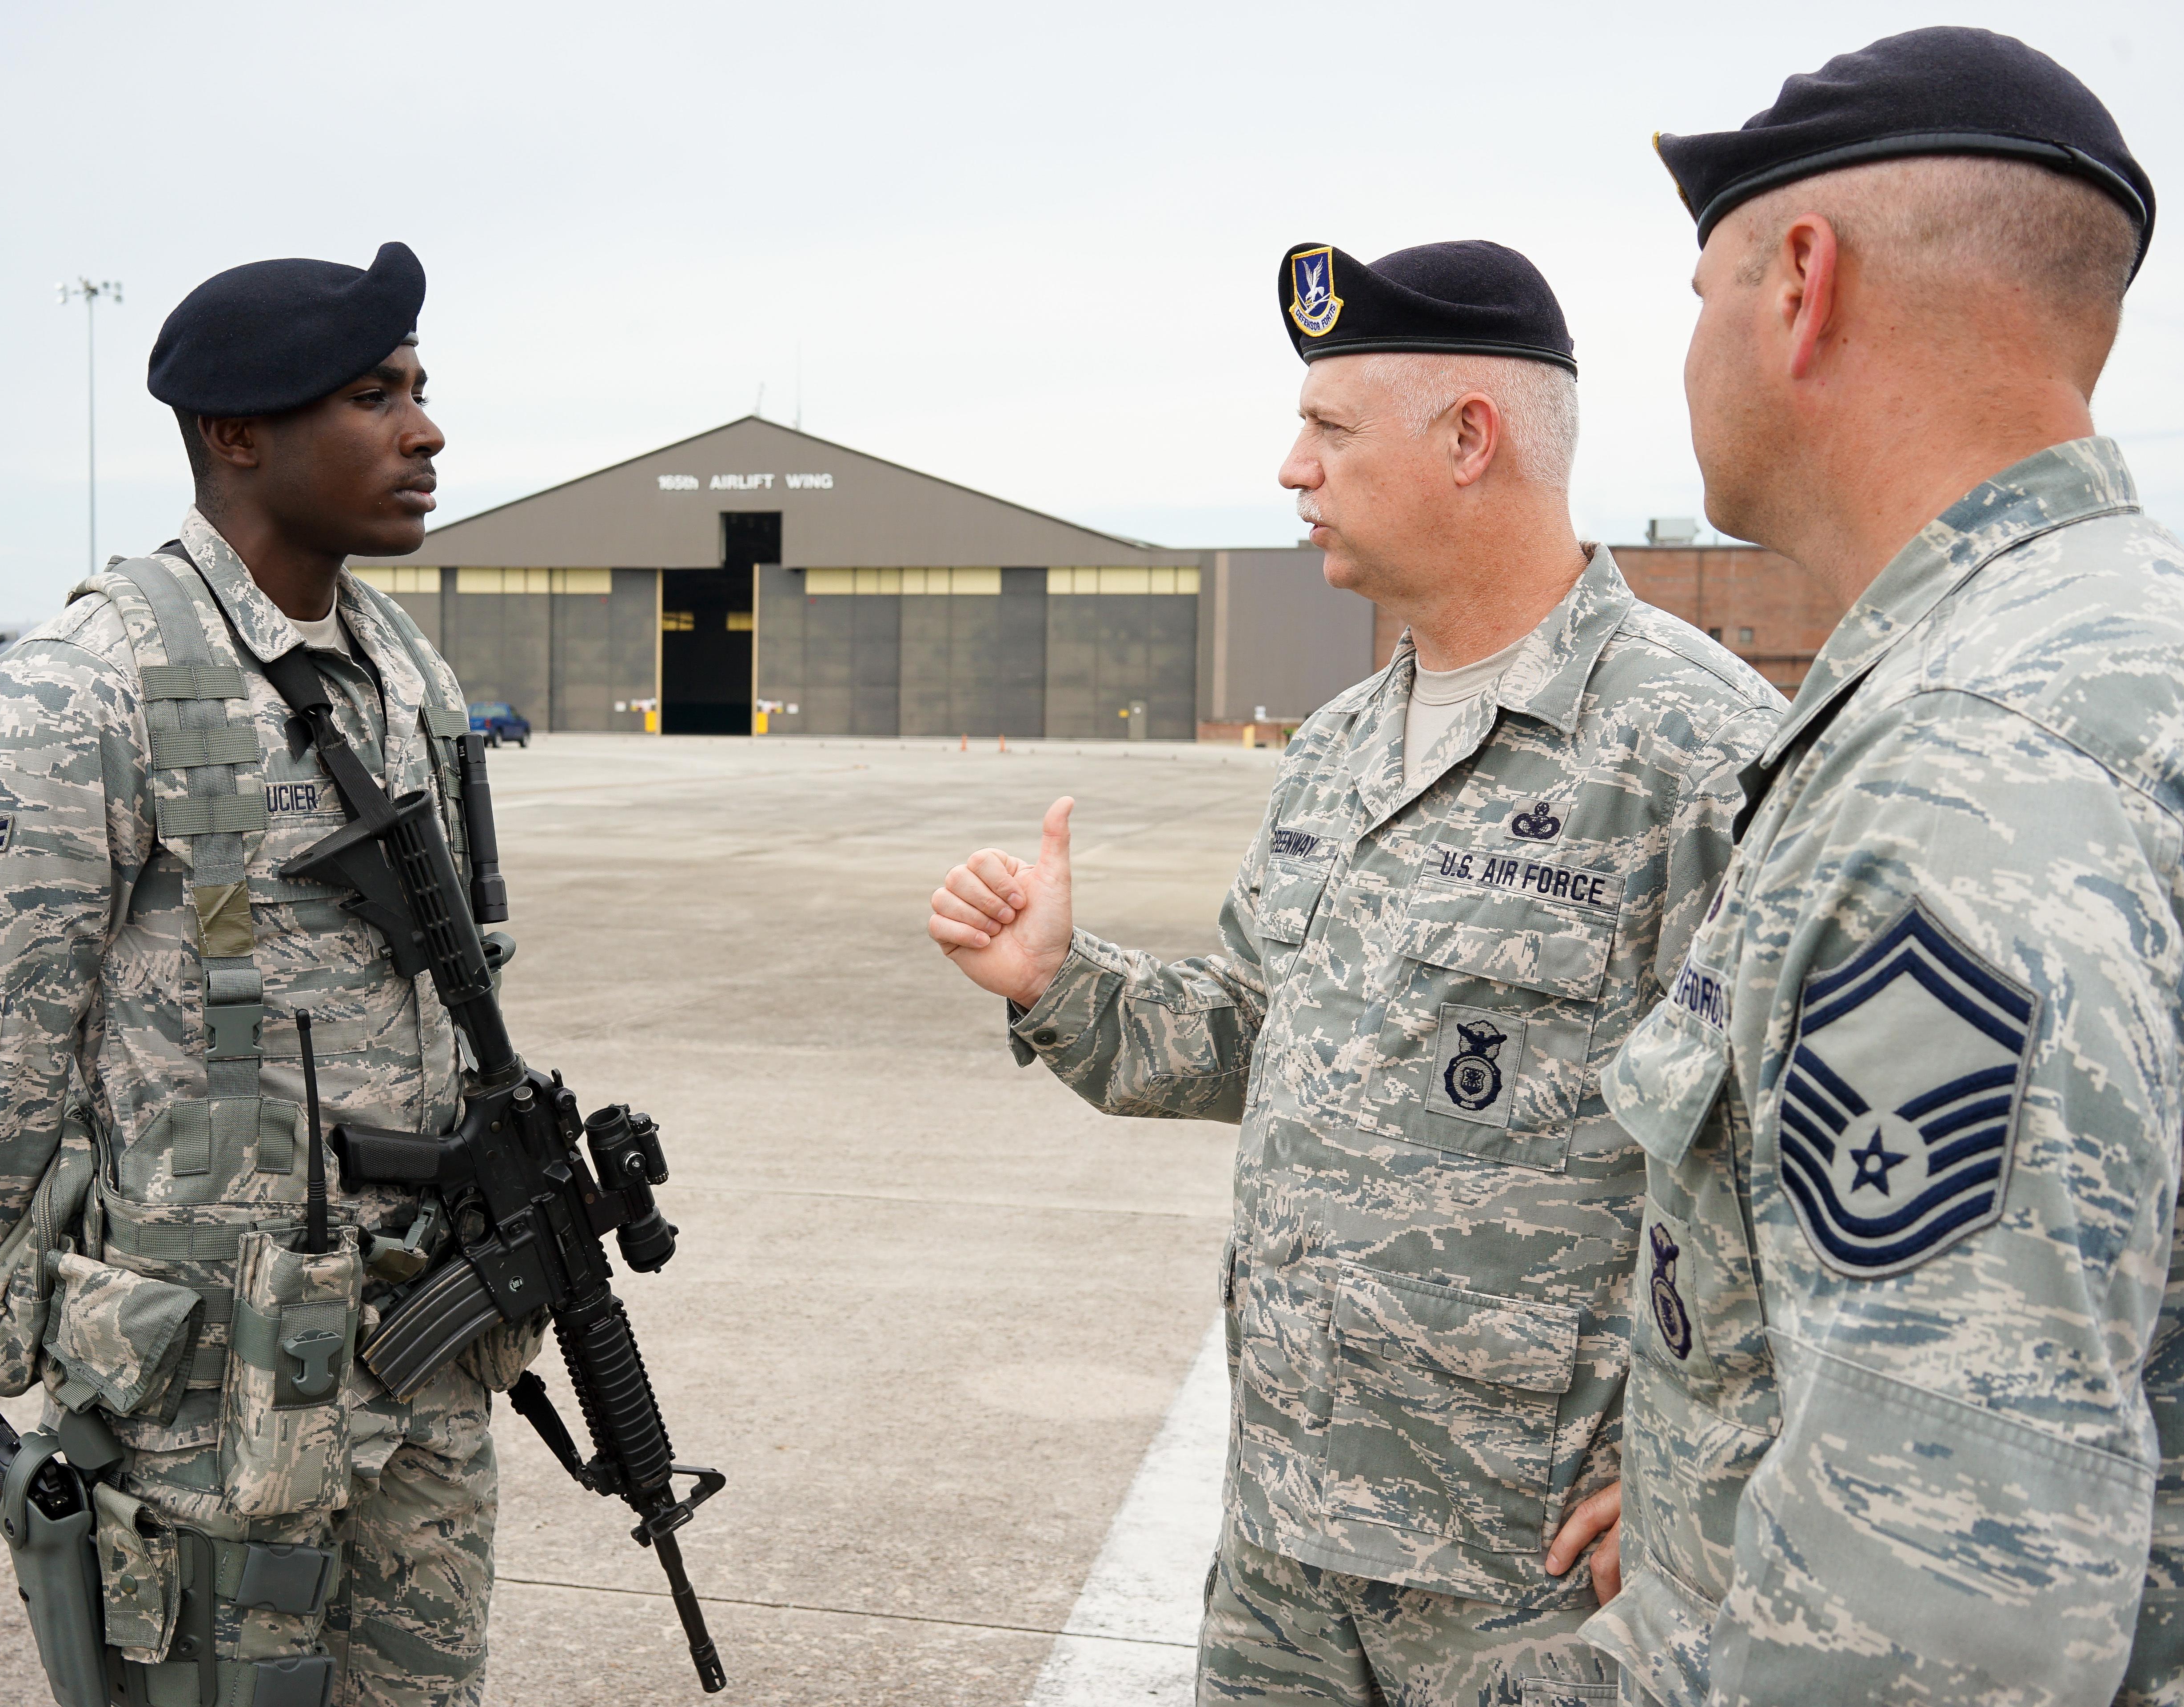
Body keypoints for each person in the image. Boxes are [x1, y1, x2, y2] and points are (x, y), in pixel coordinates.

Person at [927, 240, 1785, 1704]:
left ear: (1469, 438)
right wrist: (1058, 980)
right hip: (1286, 1549)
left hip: (1536, 1580)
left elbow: (1788, 1152)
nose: (1288, 468)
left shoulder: (1696, 749)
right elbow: (1255, 1034)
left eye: (1327, 430)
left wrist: (1703, 1469)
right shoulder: (1334, 746)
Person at [1574, 27, 2184, 1706]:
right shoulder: (2116, 647)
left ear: (1799, 284)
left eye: (1699, 296)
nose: (1689, 351)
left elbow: (1940, 1598)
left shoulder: (1965, 763)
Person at [0, 241, 542, 1707]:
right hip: (211, 1419)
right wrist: (106, 1328)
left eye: (420, 389)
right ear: (238, 436)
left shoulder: (396, 670)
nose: (424, 430)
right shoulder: (74, 693)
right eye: (374, 394)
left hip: (419, 1383)